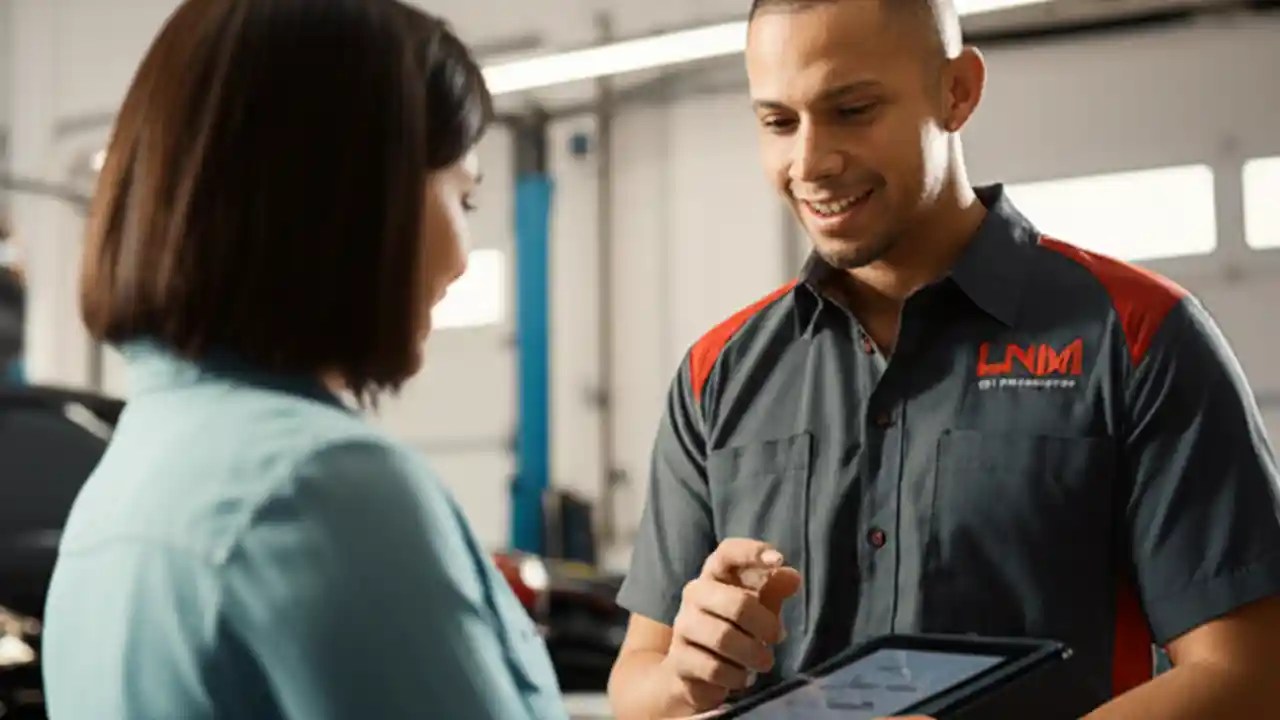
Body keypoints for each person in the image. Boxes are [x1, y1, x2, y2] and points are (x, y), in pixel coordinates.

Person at [608, 1, 1280, 718]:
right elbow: (637, 688)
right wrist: (689, 672)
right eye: (778, 122)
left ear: (957, 91)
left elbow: (1251, 675)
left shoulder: (1138, 336)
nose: (810, 161)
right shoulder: (718, 373)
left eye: (854, 108)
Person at [41, 1, 567, 718]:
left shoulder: (127, 477)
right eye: (464, 199)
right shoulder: (318, 484)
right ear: (357, 192)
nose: (461, 258)